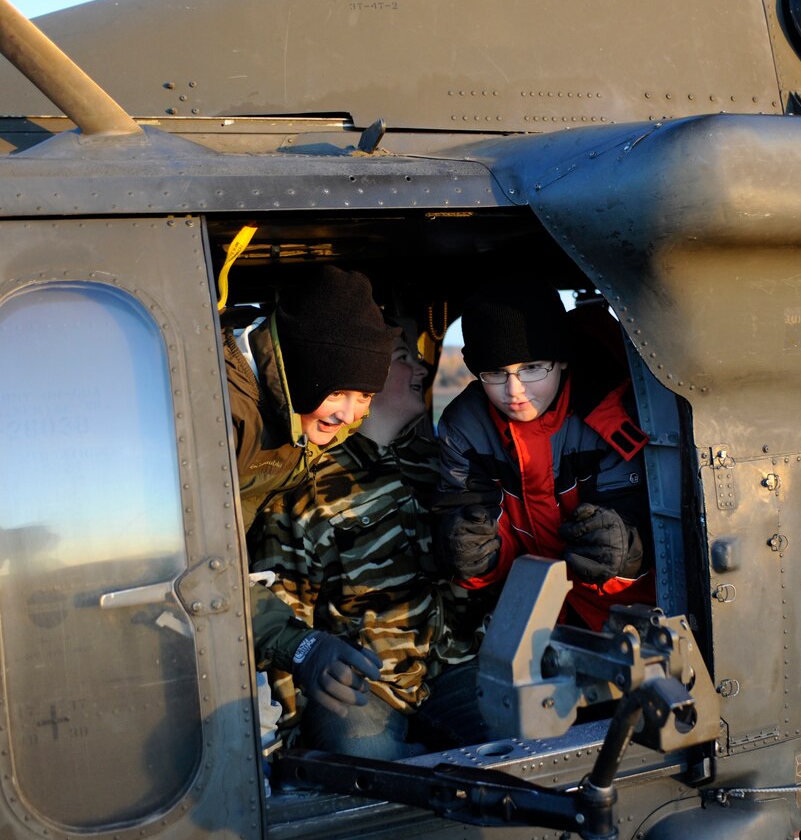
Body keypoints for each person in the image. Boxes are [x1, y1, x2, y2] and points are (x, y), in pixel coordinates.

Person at [248, 320, 485, 758]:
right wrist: (294, 725)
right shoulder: (308, 494)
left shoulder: (436, 464)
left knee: (521, 737)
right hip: (365, 688)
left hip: (451, 667)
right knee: (371, 768)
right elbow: (284, 620)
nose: (422, 368)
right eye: (403, 358)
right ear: (368, 375)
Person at [225, 264, 394, 721]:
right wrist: (299, 646)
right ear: (296, 369)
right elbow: (196, 563)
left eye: (366, 396)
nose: (349, 414)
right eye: (338, 391)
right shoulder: (229, 417)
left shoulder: (305, 416)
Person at [436, 284, 655, 632]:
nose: (515, 391)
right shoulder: (465, 429)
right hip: (529, 617)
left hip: (625, 618)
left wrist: (627, 549)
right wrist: (477, 556)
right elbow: (474, 529)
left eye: (532, 367)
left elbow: (655, 530)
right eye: (495, 373)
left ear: (562, 359)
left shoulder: (612, 418)